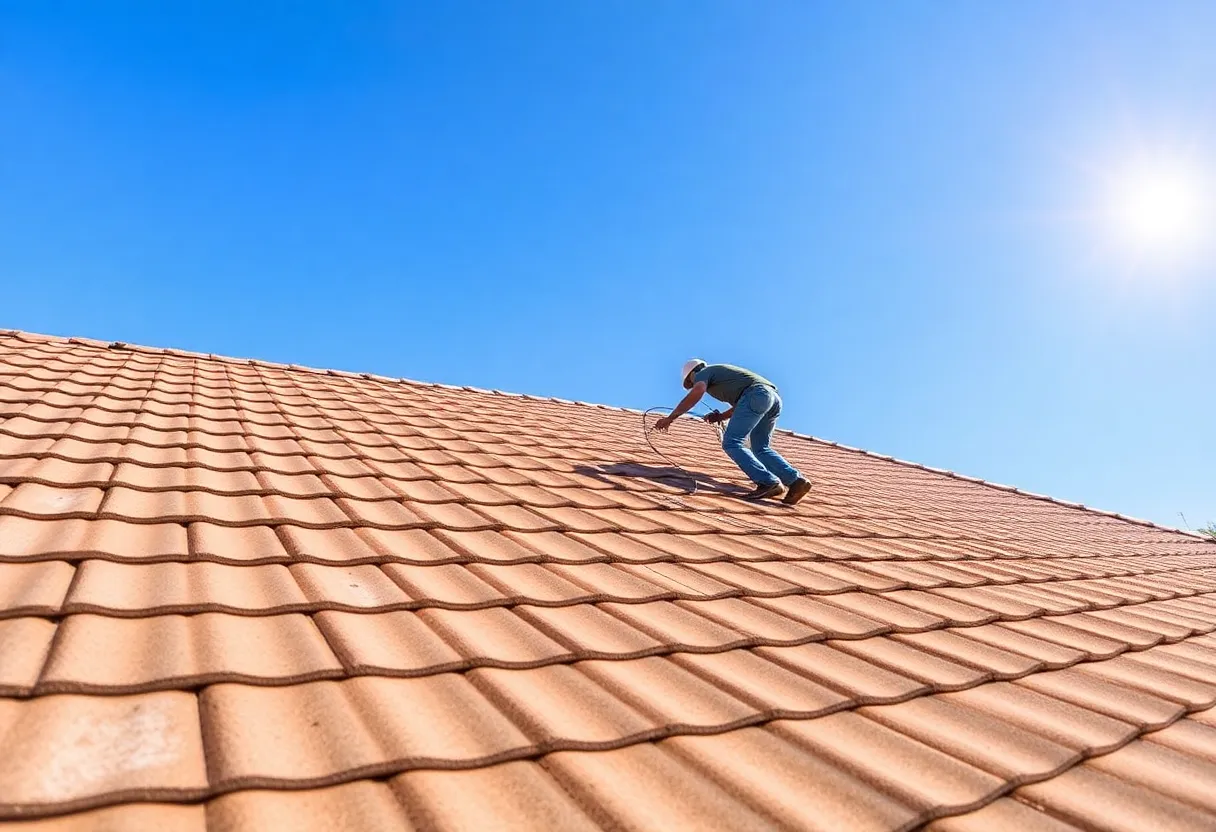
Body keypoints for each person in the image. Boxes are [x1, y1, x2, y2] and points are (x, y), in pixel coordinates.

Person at [653, 359, 812, 504]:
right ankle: (796, 481)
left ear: (693, 373)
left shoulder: (703, 373)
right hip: (772, 399)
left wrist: (671, 418)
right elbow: (742, 405)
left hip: (757, 395)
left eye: (690, 382)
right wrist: (721, 416)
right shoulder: (724, 377)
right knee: (760, 447)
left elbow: (697, 392)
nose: (692, 384)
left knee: (731, 443)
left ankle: (768, 482)